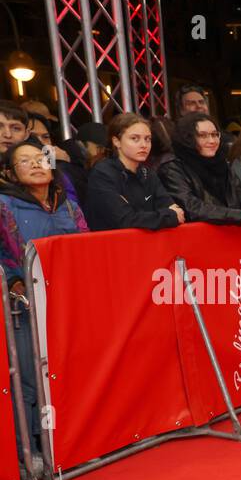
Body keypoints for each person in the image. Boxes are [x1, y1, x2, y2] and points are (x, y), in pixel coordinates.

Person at [0, 140, 89, 457]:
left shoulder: (68, 206)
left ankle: (71, 439)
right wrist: (13, 281)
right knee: (27, 375)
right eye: (25, 161)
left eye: (40, 158)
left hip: (67, 301)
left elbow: (87, 249)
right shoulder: (5, 205)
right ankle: (30, 448)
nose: (37, 164)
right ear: (10, 173)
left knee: (71, 369)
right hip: (24, 306)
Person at [158, 113, 241, 227]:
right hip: (194, 240)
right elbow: (192, 208)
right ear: (188, 139)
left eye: (214, 134)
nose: (212, 141)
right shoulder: (172, 168)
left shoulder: (221, 163)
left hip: (229, 237)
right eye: (203, 135)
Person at [82, 112, 184, 231]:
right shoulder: (102, 173)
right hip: (111, 246)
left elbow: (175, 210)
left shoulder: (148, 173)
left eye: (147, 139)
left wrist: (164, 215)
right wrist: (169, 216)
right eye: (134, 138)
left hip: (146, 245)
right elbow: (125, 220)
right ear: (116, 141)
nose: (143, 145)